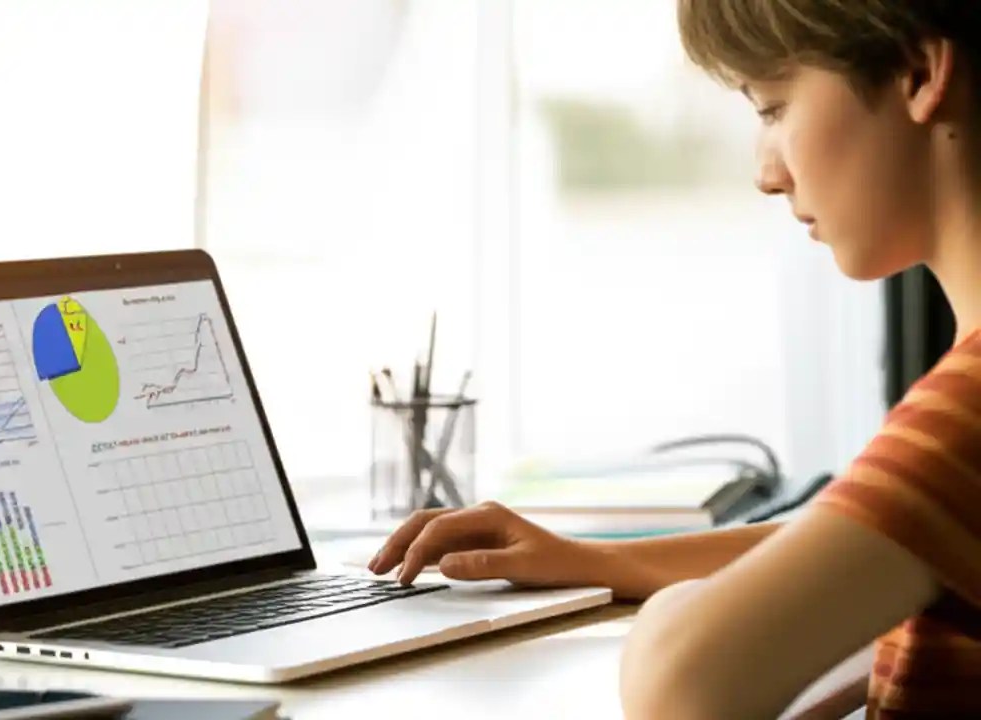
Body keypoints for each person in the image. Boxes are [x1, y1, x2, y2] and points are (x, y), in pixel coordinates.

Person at [368, 1, 981, 717]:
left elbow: (683, 685)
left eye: (773, 108)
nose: (767, 174)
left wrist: (679, 611)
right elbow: (878, 544)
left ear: (917, 72)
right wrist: (599, 563)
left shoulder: (968, 412)